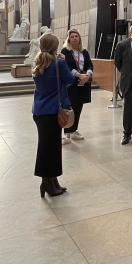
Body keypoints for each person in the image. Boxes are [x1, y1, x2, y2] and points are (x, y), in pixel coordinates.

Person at [32, 33, 77, 197]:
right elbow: (71, 79)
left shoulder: (38, 62)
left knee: (47, 146)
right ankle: (47, 183)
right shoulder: (59, 63)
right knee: (51, 148)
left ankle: (52, 181)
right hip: (53, 111)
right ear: (55, 46)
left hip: (39, 111)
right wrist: (63, 61)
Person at [60, 29, 93, 144]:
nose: (74, 38)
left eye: (76, 36)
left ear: (80, 38)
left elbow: (89, 64)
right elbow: (66, 66)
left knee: (79, 106)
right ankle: (66, 132)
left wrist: (87, 74)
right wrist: (79, 75)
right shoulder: (65, 51)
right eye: (72, 36)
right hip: (71, 83)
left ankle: (74, 130)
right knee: (70, 107)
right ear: (69, 39)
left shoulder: (84, 52)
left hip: (83, 83)